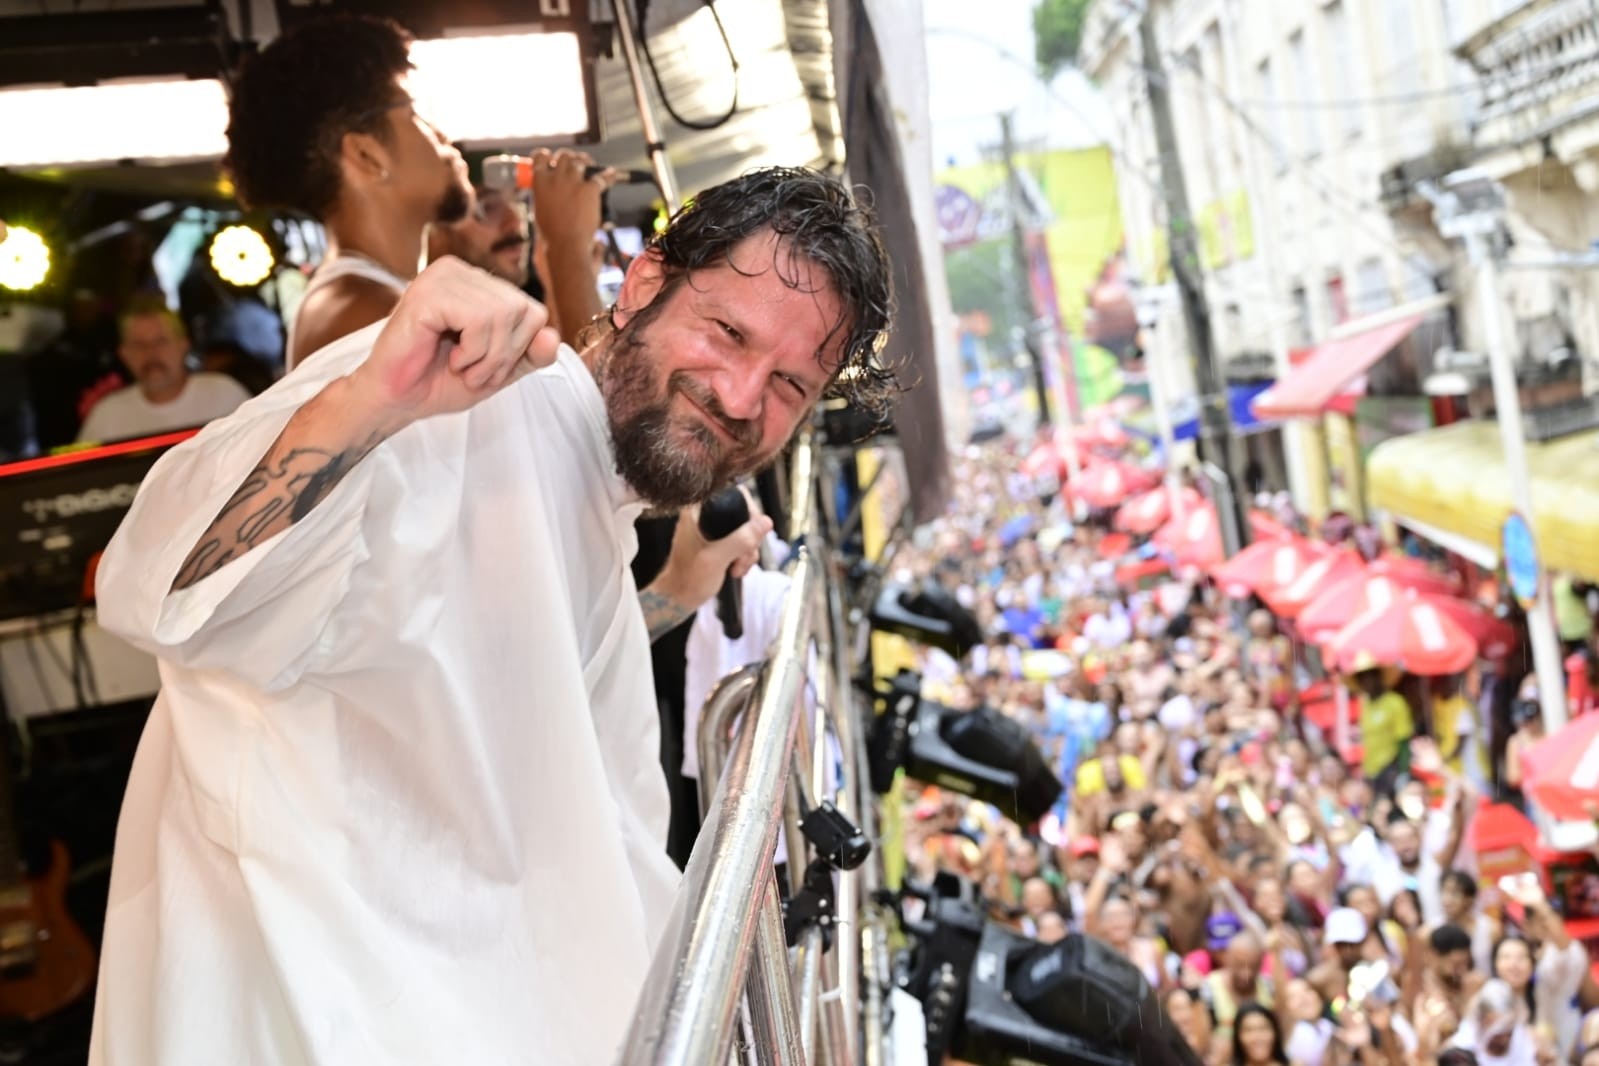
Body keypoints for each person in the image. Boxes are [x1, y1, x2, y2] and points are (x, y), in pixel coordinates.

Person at [87, 167, 894, 1065]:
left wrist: (671, 596)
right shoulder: (454, 391)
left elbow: (497, 684)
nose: (741, 397)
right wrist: (369, 400)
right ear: (643, 284)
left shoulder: (594, 493)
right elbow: (163, 593)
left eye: (787, 385)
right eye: (727, 332)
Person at [224, 14, 475, 368]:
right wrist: (556, 245)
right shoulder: (369, 317)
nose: (442, 135)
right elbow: (546, 400)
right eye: (415, 114)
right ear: (365, 155)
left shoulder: (360, 302)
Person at [77, 295, 249, 443]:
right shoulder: (106, 417)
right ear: (124, 354)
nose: (150, 353)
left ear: (183, 345)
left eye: (161, 342)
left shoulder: (225, 395)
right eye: (139, 345)